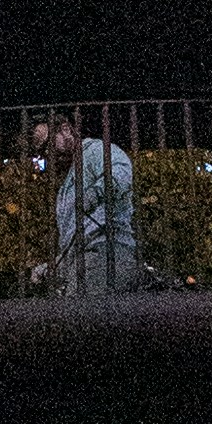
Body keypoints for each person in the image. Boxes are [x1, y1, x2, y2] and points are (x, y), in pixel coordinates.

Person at [39, 116, 140, 303]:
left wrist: (95, 193)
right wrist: (52, 267)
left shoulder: (93, 151)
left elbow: (121, 171)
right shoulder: (66, 184)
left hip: (106, 255)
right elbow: (76, 238)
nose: (46, 154)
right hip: (86, 260)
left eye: (47, 144)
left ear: (66, 129)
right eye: (41, 151)